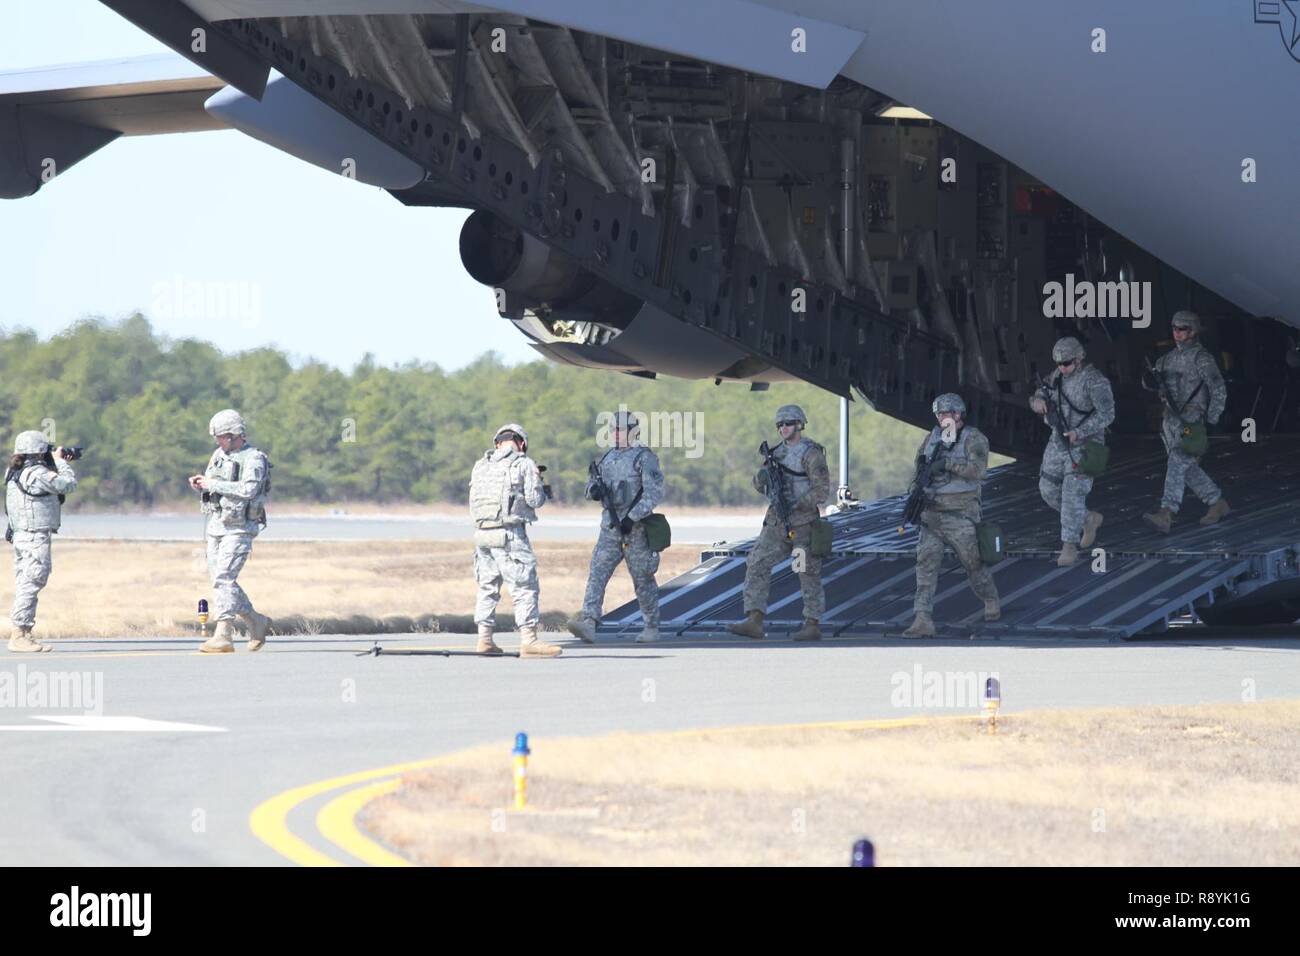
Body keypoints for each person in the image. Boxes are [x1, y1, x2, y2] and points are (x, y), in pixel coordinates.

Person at [727, 404, 830, 641]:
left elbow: (821, 491)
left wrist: (797, 503)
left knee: (806, 570)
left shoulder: (811, 453)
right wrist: (761, 479)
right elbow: (760, 484)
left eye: (788, 424)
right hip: (776, 523)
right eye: (780, 425)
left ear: (799, 425)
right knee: (757, 562)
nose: (783, 428)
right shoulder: (775, 454)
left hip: (803, 524)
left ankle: (812, 623)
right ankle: (754, 619)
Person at [902, 394, 1001, 638]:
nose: (941, 419)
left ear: (958, 414)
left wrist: (947, 465)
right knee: (925, 565)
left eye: (945, 414)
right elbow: (919, 469)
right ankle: (922, 618)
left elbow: (978, 471)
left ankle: (990, 599)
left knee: (973, 563)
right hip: (932, 514)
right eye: (938, 415)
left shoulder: (973, 439)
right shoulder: (931, 439)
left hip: (960, 514)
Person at [567, 411, 664, 644]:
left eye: (620, 429)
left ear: (633, 431)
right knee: (597, 572)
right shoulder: (608, 457)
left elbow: (654, 493)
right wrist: (593, 491)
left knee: (642, 578)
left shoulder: (644, 457)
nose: (615, 434)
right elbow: (590, 486)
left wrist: (633, 517)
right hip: (610, 528)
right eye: (613, 429)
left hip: (636, 530)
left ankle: (651, 626)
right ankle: (589, 621)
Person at [469, 423, 561, 657]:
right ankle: (529, 640)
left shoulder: (480, 466)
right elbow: (534, 500)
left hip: (482, 534)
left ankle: (485, 639)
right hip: (510, 534)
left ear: (497, 442)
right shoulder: (523, 463)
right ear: (521, 443)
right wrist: (538, 481)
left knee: (487, 586)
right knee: (524, 586)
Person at [188, 409, 273, 654]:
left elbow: (248, 489)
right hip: (216, 525)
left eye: (222, 436)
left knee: (224, 577)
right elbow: (213, 480)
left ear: (236, 434)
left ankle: (223, 633)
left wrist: (213, 484)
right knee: (220, 581)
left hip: (240, 528)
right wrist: (201, 484)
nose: (218, 441)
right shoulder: (219, 455)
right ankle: (255, 621)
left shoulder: (255, 458)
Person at [1029, 336, 1116, 566]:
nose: (1062, 368)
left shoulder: (1095, 381)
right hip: (1058, 441)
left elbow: (1108, 414)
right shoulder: (1057, 376)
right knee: (1047, 489)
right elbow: (1041, 392)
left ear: (1079, 359)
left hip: (1085, 445)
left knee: (1071, 492)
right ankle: (1088, 518)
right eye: (1058, 363)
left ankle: (1069, 545)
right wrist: (1037, 402)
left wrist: (1080, 431)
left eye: (1066, 363)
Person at [1143, 311, 1230, 532]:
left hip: (1192, 420)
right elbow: (1151, 384)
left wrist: (1212, 417)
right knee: (1186, 468)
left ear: (1192, 331)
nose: (1177, 333)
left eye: (1181, 329)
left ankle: (1167, 513)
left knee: (1177, 461)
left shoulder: (1202, 358)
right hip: (1170, 422)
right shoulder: (1166, 359)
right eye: (1174, 328)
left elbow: (1218, 388)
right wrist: (1151, 382)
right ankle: (1217, 502)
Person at [5, 431, 77, 652]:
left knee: (26, 581)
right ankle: (19, 634)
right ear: (38, 452)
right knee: (33, 580)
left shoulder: (14, 471)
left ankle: (24, 633)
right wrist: (60, 462)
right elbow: (68, 485)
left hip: (22, 534)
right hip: (34, 535)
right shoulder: (36, 473)